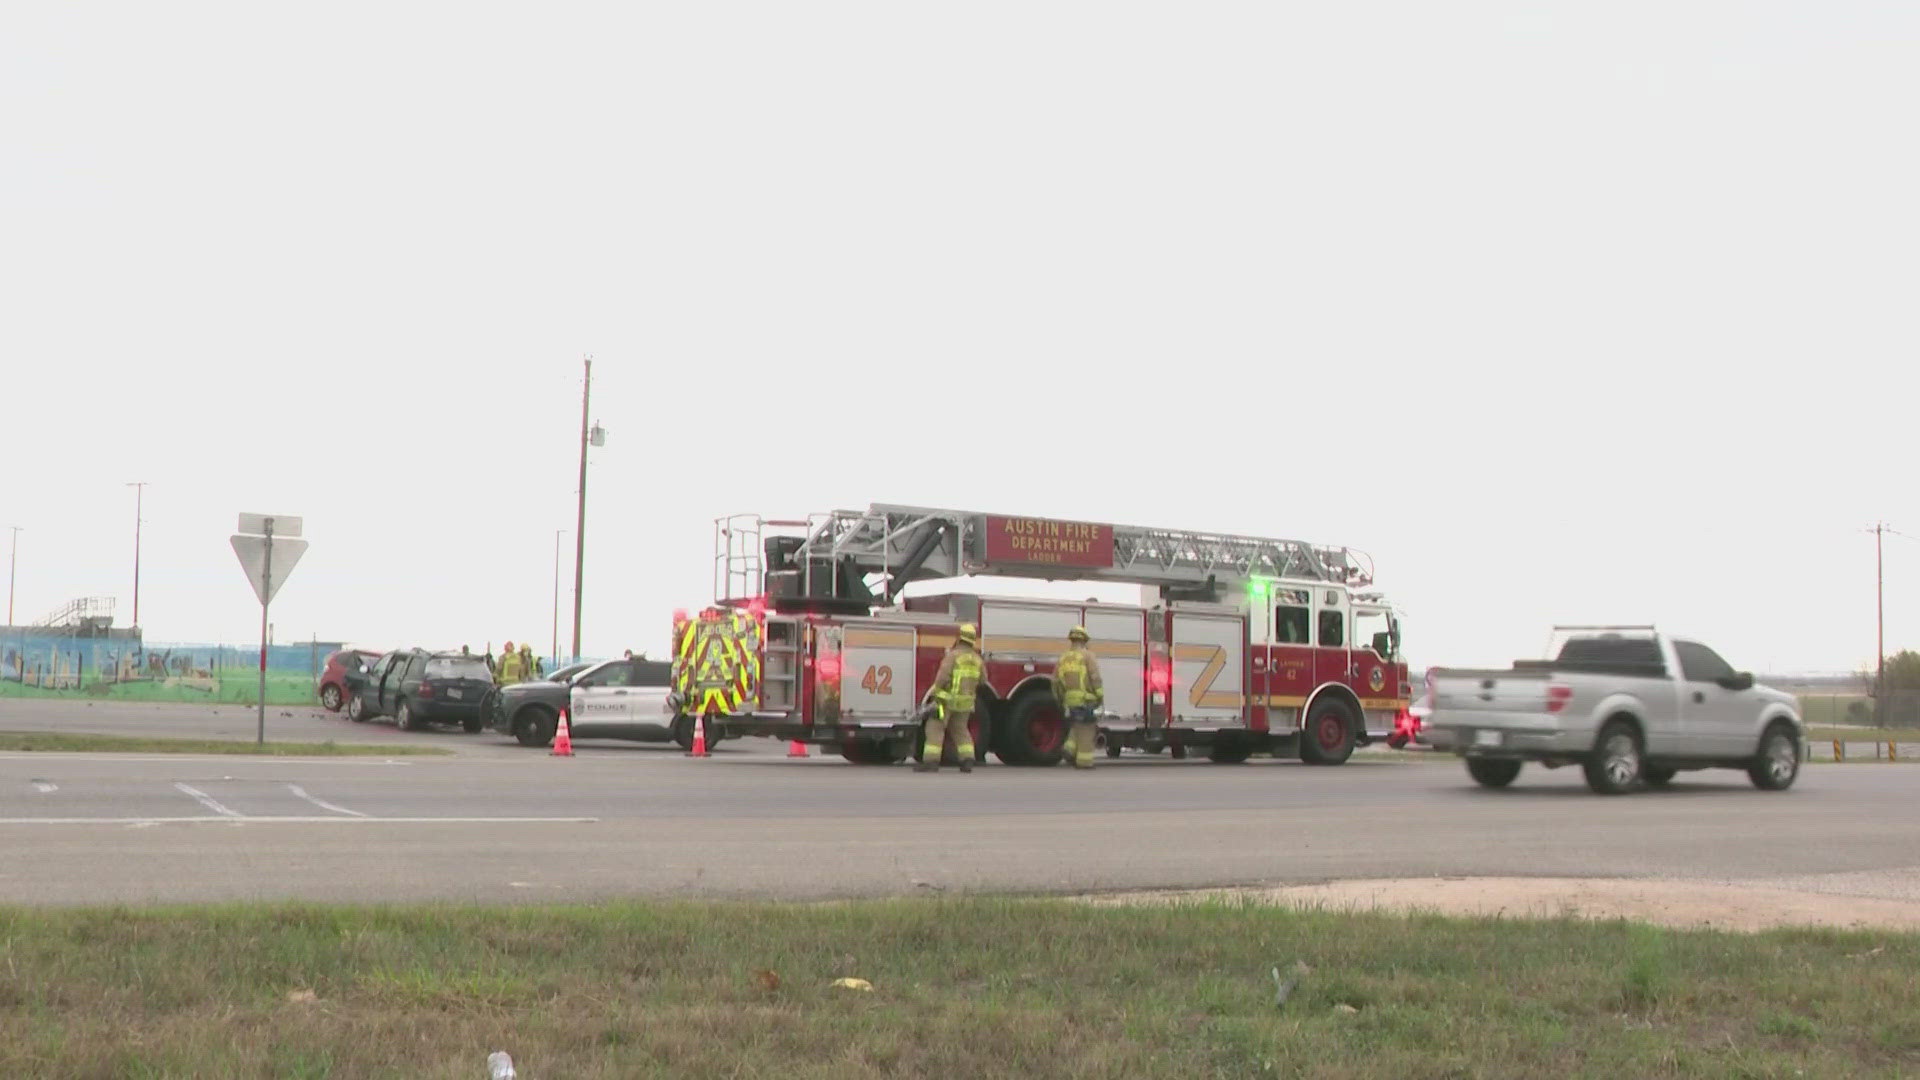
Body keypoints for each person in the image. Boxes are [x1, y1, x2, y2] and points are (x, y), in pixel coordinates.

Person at [918, 623, 983, 773]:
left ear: (960, 637)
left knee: (935, 728)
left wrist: (935, 693)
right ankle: (967, 760)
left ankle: (931, 762)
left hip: (946, 701)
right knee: (960, 729)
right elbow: (983, 680)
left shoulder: (953, 656)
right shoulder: (977, 659)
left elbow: (942, 677)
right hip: (966, 703)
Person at [1053, 625, 1104, 769]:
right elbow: (1095, 677)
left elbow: (1056, 681)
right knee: (1087, 731)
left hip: (1070, 700)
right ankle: (1084, 762)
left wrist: (1060, 699)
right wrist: (1100, 695)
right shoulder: (1088, 656)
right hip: (1086, 699)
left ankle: (1068, 749)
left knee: (1077, 725)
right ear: (1084, 640)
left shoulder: (1063, 658)